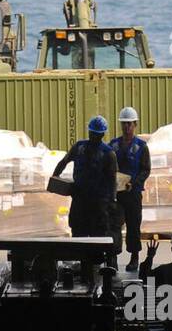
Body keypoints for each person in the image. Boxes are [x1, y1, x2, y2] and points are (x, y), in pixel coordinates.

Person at [51, 116, 118, 250]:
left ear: (102, 135)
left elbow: (112, 180)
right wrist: (55, 178)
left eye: (96, 135)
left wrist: (111, 201)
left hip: (98, 201)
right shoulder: (79, 147)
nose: (94, 137)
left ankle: (97, 263)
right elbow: (63, 162)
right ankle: (79, 262)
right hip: (80, 198)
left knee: (98, 235)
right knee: (78, 233)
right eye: (92, 134)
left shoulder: (108, 153)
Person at [109, 107, 151, 272]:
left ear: (135, 125)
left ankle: (134, 258)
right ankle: (112, 258)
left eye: (129, 124)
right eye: (124, 124)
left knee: (134, 226)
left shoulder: (141, 147)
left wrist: (135, 182)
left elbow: (146, 169)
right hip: (116, 195)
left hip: (132, 194)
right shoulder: (113, 145)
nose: (126, 127)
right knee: (114, 226)